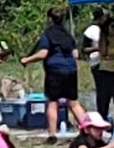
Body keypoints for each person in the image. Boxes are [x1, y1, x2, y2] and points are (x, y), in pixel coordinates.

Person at [21, 8, 80, 141]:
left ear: (49, 19)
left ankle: (52, 135)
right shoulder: (68, 35)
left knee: (53, 102)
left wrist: (27, 60)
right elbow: (75, 54)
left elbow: (43, 53)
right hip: (71, 69)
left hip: (55, 71)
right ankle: (87, 129)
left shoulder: (47, 34)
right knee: (74, 103)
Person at [91, 10, 114, 126]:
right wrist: (108, 54)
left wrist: (109, 56)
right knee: (103, 100)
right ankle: (102, 123)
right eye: (112, 26)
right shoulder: (103, 38)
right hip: (105, 72)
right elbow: (102, 52)